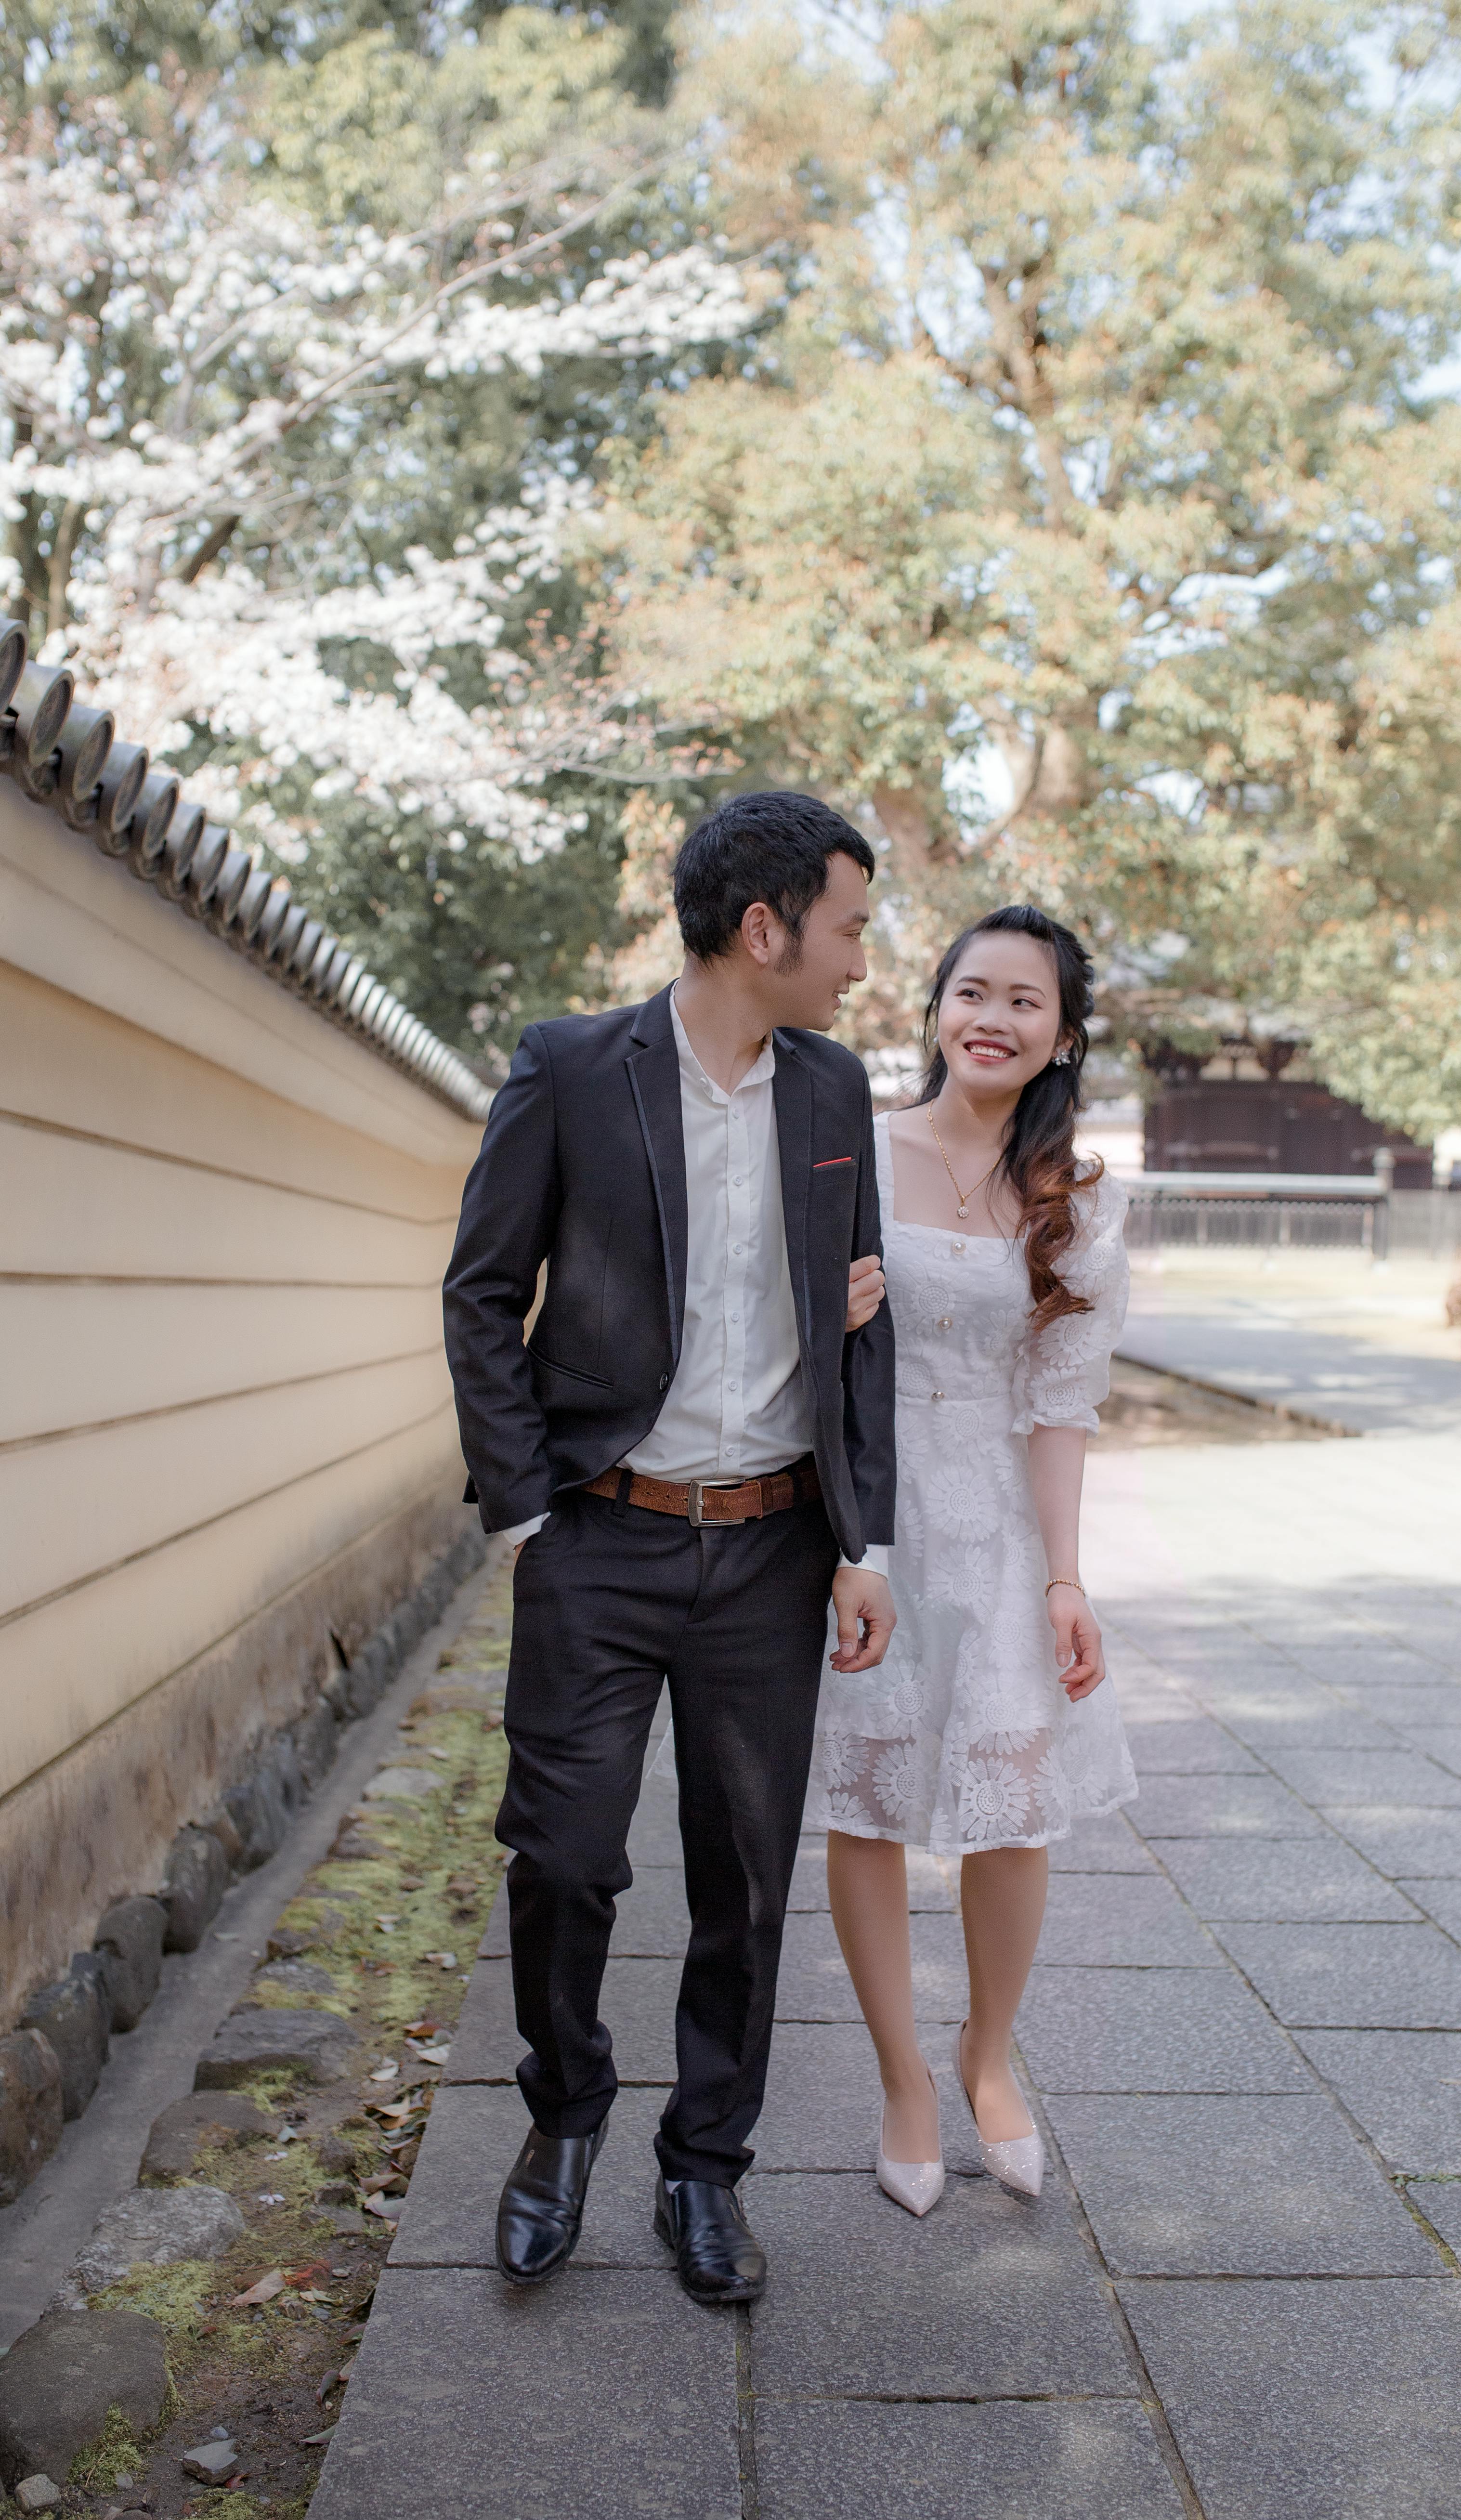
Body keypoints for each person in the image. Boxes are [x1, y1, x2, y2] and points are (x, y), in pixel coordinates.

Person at [443, 791, 897, 2307]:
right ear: (762, 928)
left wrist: (868, 1541)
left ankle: (705, 2162)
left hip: (772, 1549)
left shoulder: (832, 1088)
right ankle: (563, 2115)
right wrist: (524, 1510)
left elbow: (862, 1320)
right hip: (598, 1536)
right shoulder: (572, 1066)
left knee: (745, 1883)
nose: (859, 961)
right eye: (846, 929)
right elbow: (481, 1291)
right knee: (563, 1857)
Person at [807, 905, 1136, 2216]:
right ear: (936, 1006)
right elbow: (771, 1337)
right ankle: (903, 2081)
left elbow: (1060, 1405)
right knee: (869, 1793)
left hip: (996, 1524)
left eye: (1025, 1001)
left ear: (1062, 1036)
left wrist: (1065, 1578)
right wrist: (819, 1316)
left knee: (1012, 1800)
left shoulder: (1077, 1197)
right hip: (867, 1522)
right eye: (973, 991)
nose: (993, 1018)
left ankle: (986, 2056)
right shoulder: (851, 1151)